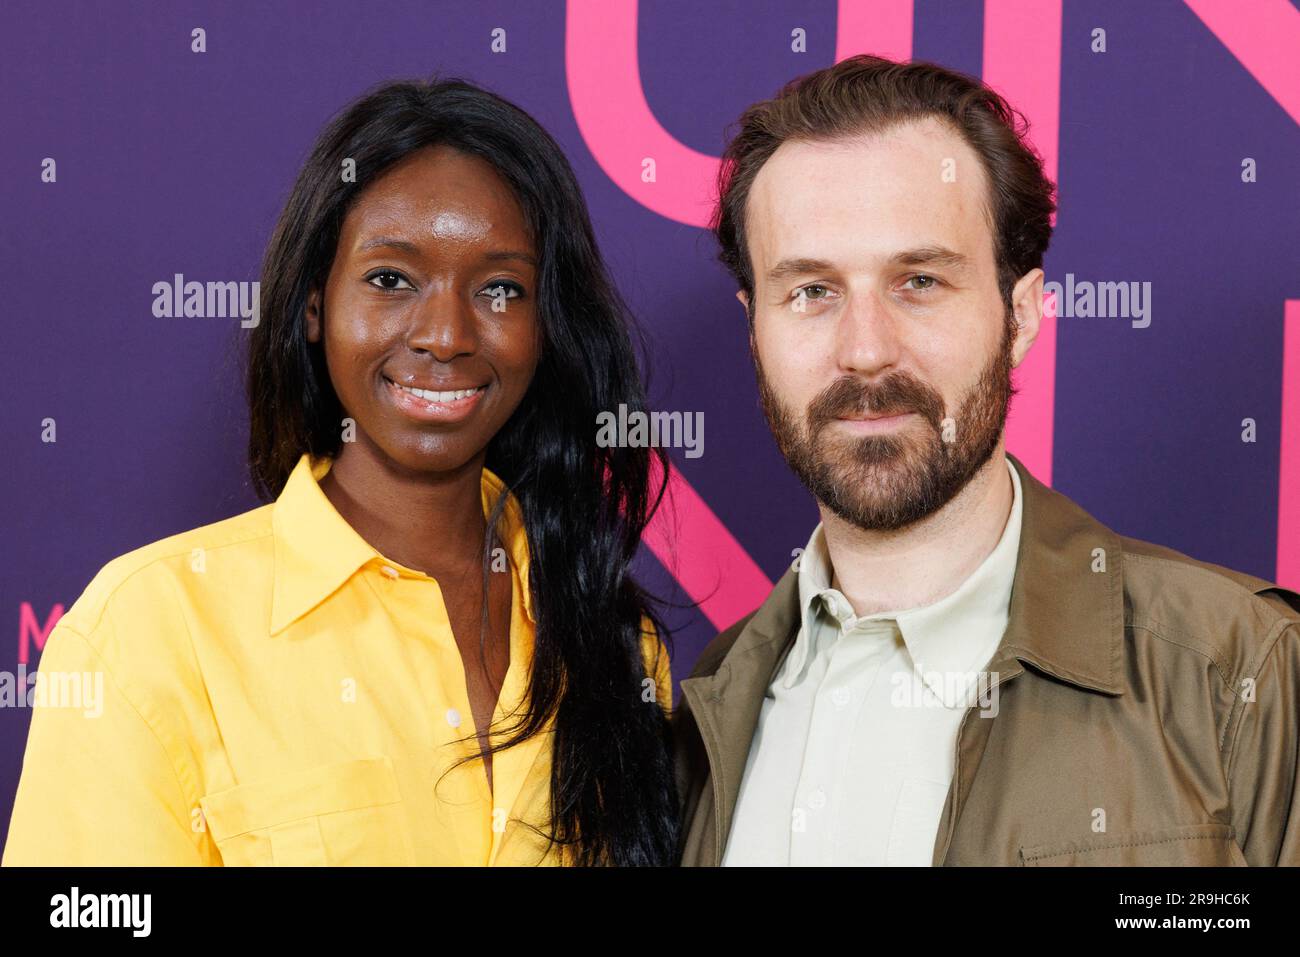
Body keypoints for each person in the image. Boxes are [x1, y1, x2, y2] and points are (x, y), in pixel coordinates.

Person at [3, 77, 676, 866]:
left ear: (545, 323)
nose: (447, 334)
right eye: (392, 279)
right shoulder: (150, 628)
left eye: (500, 288)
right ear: (316, 304)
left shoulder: (609, 634)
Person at [674, 55, 1300, 866]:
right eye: (812, 292)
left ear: (1024, 314)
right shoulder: (707, 716)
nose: (865, 351)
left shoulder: (1238, 672)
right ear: (753, 327)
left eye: (921, 280)